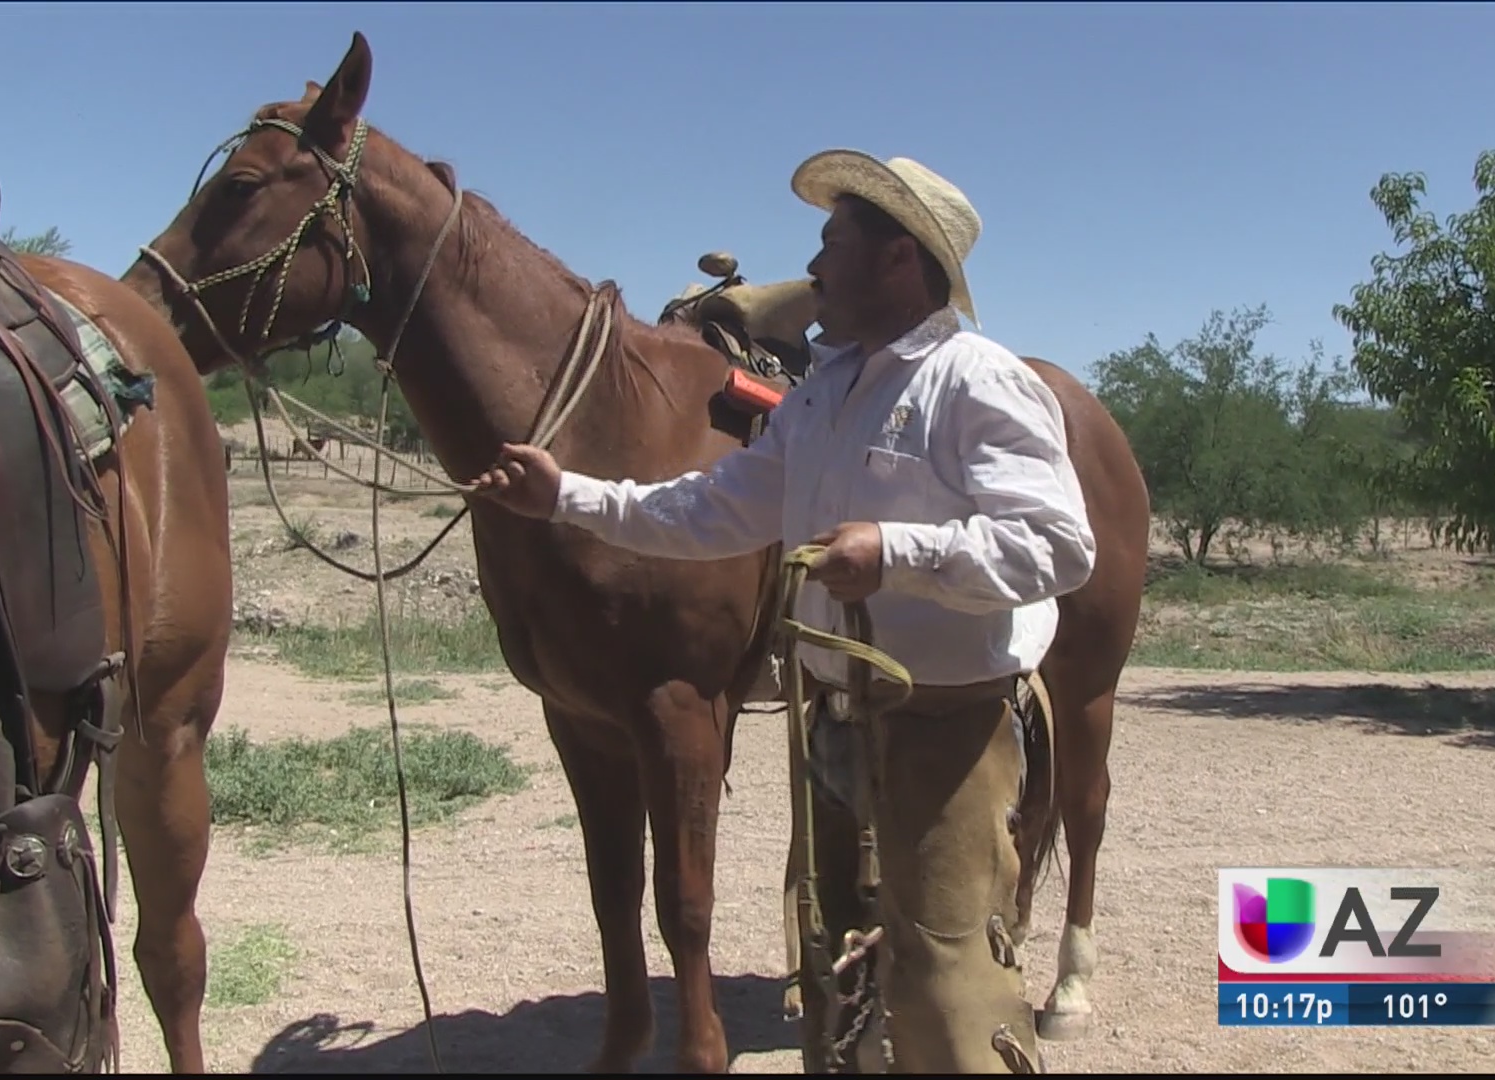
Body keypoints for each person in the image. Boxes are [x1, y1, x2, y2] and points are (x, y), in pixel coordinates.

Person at [468, 149, 1096, 1074]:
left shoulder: (977, 381)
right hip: (835, 722)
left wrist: (895, 551)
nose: (810, 269)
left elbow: (1058, 547)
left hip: (945, 728)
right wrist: (567, 498)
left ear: (898, 261)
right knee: (836, 974)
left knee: (950, 992)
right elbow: (708, 508)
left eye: (831, 243)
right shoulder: (825, 396)